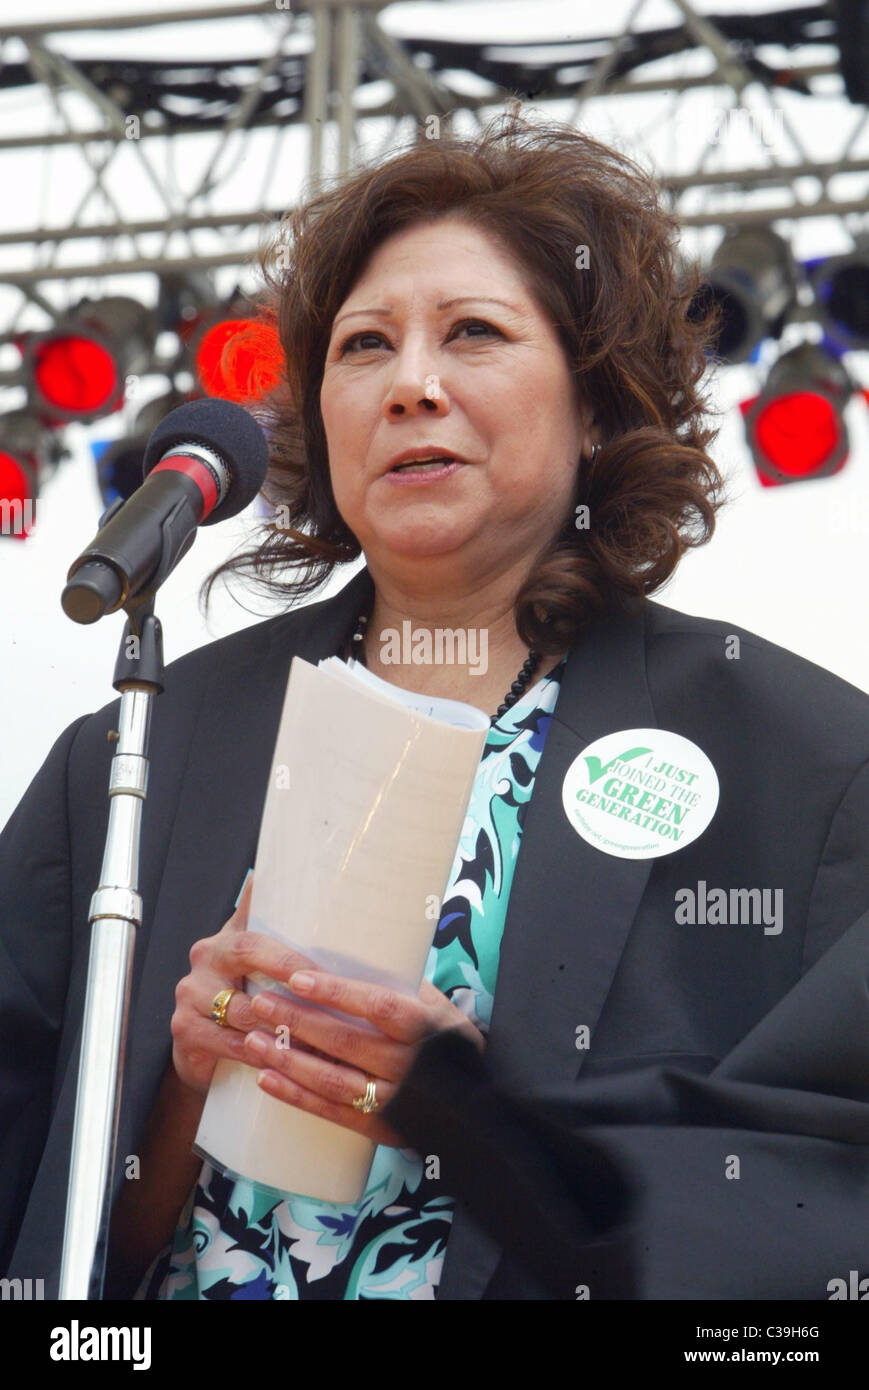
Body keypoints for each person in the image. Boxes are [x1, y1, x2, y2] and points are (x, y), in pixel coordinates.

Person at [2, 110, 868, 1302]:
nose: (410, 384)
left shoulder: (805, 769)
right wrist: (192, 1079)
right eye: (363, 347)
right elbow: (55, 1234)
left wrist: (463, 1107)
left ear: (600, 404)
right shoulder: (139, 750)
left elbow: (800, 1231)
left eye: (472, 333)